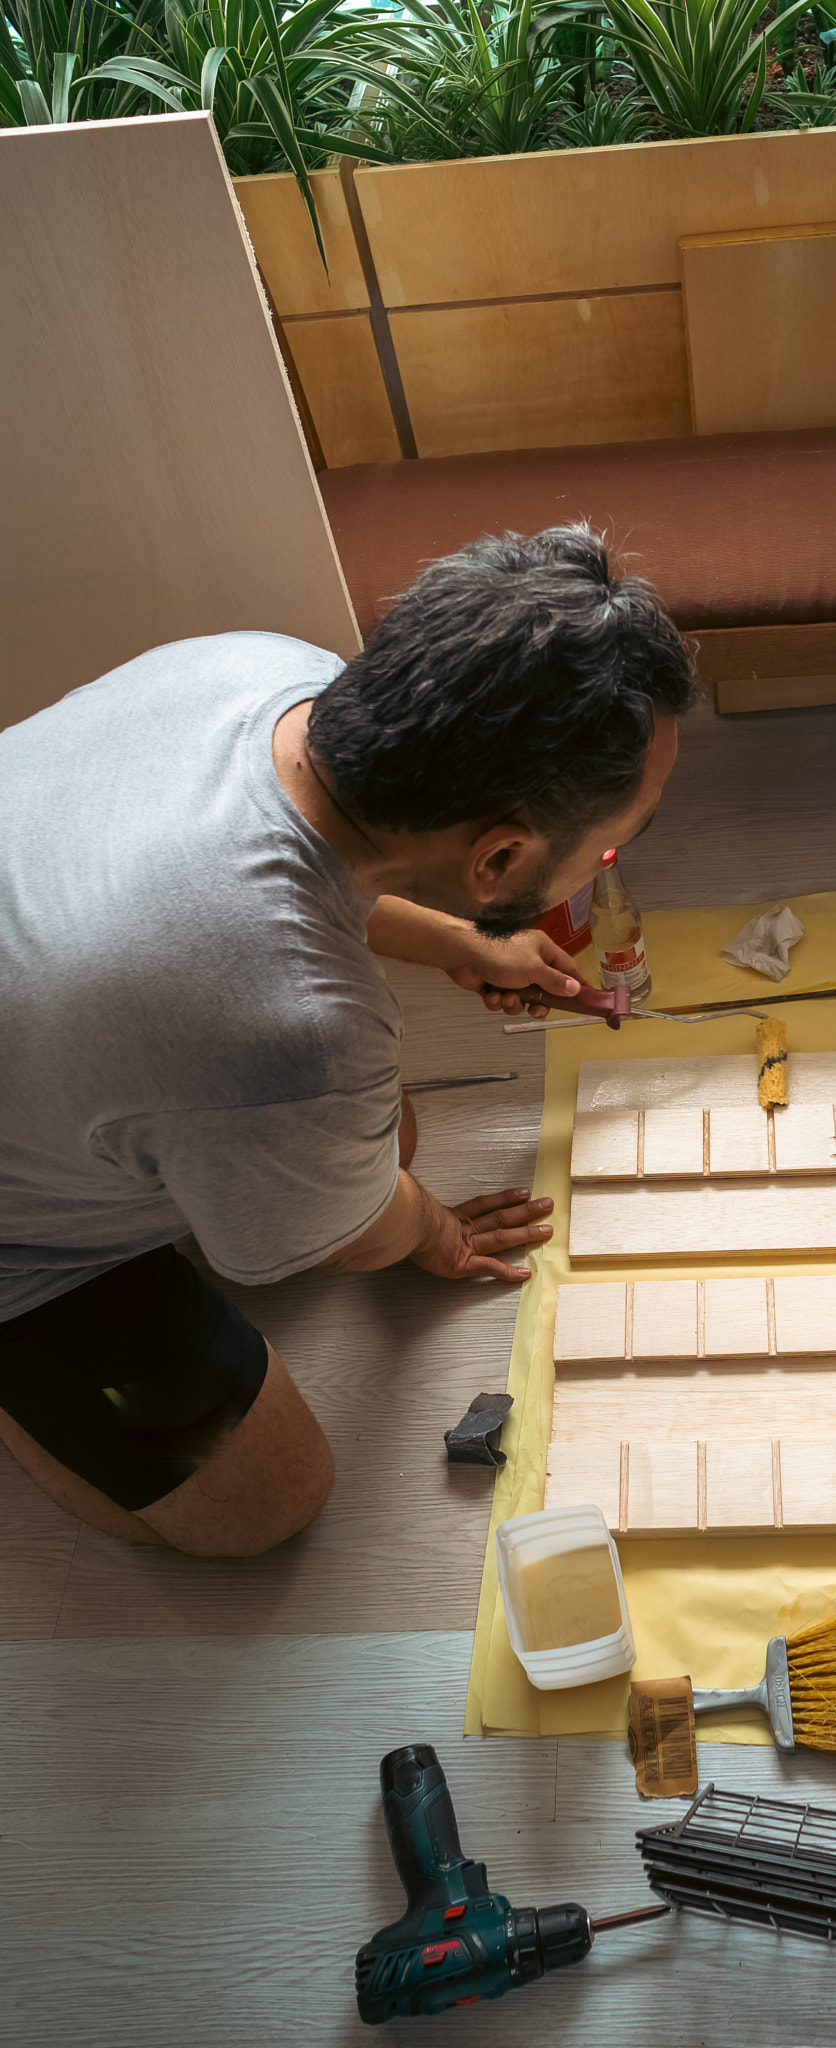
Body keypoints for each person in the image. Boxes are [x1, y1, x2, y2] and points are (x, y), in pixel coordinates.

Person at [0, 526, 694, 1560]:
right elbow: (358, 1227)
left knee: (369, 1138)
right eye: (602, 848)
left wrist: (461, 936)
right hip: (26, 1214)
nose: (602, 864)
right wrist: (427, 1232)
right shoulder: (298, 1048)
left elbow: (290, 873)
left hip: (63, 1020)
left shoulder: (268, 674)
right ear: (500, 855)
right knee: (270, 1498)